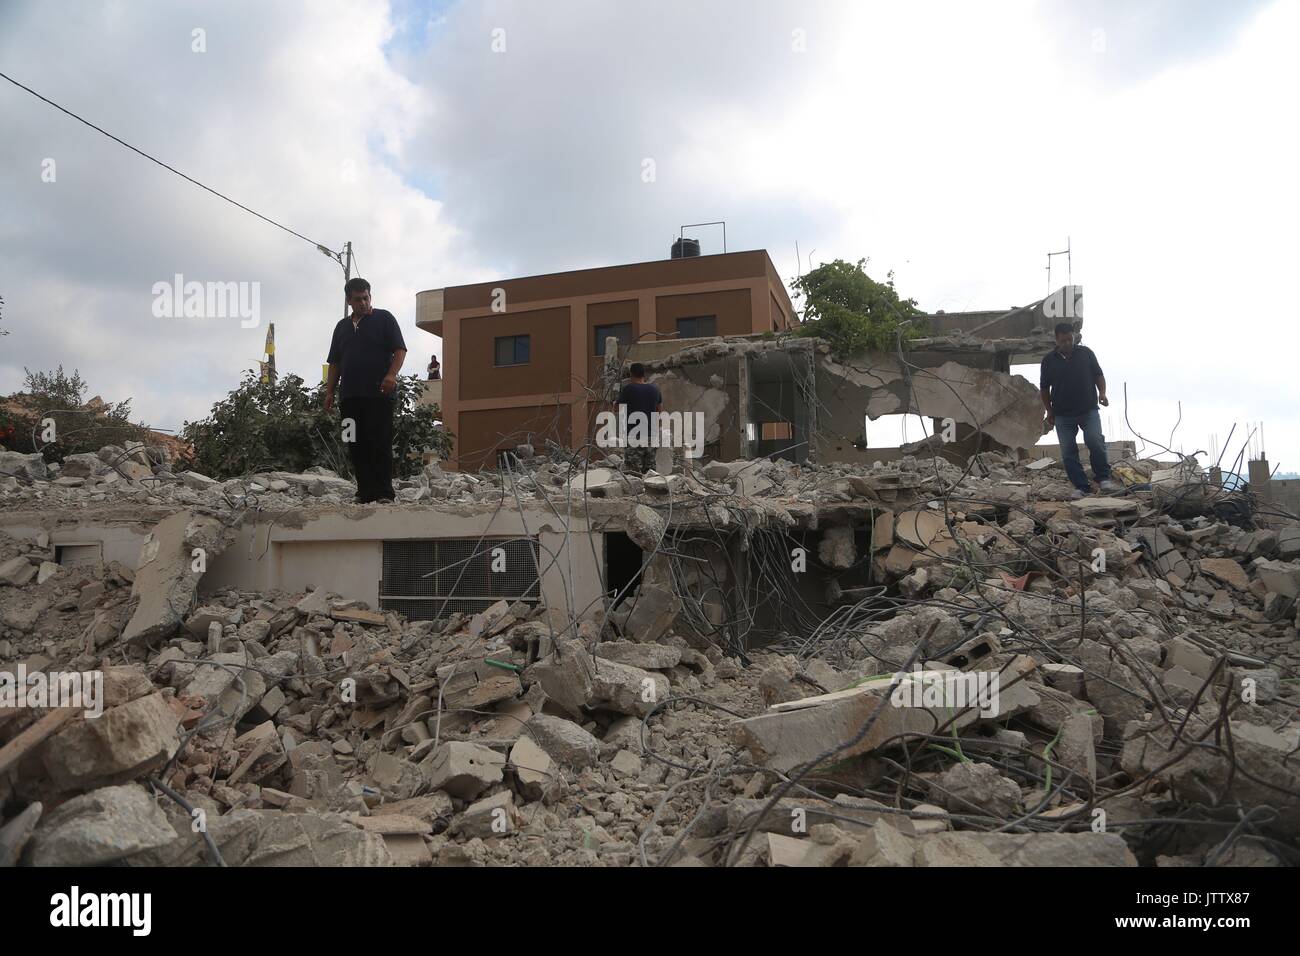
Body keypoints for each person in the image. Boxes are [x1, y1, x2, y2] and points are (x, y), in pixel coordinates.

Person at [324, 278, 407, 503]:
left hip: (379, 395)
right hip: (350, 397)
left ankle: (384, 493)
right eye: (358, 299)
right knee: (354, 442)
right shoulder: (341, 327)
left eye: (366, 297)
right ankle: (364, 491)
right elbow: (335, 363)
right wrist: (330, 392)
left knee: (379, 441)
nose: (363, 302)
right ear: (348, 300)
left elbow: (400, 350)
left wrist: (391, 375)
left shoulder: (384, 318)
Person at [1040, 322, 1118, 498]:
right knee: (1068, 451)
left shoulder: (1086, 354)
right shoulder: (1048, 361)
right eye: (1063, 340)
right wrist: (1049, 411)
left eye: (1070, 339)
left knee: (1095, 441)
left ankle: (1103, 478)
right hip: (1062, 415)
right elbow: (1044, 389)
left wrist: (1102, 393)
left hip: (1088, 410)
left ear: (1074, 336)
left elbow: (1099, 375)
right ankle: (1081, 486)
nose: (1067, 343)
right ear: (1056, 340)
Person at [616, 362, 662, 475]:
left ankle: (636, 492)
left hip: (634, 436)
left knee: (633, 472)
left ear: (631, 374)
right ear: (644, 375)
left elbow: (617, 409)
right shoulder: (655, 390)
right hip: (651, 436)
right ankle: (650, 492)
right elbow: (659, 412)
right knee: (650, 472)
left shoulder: (628, 389)